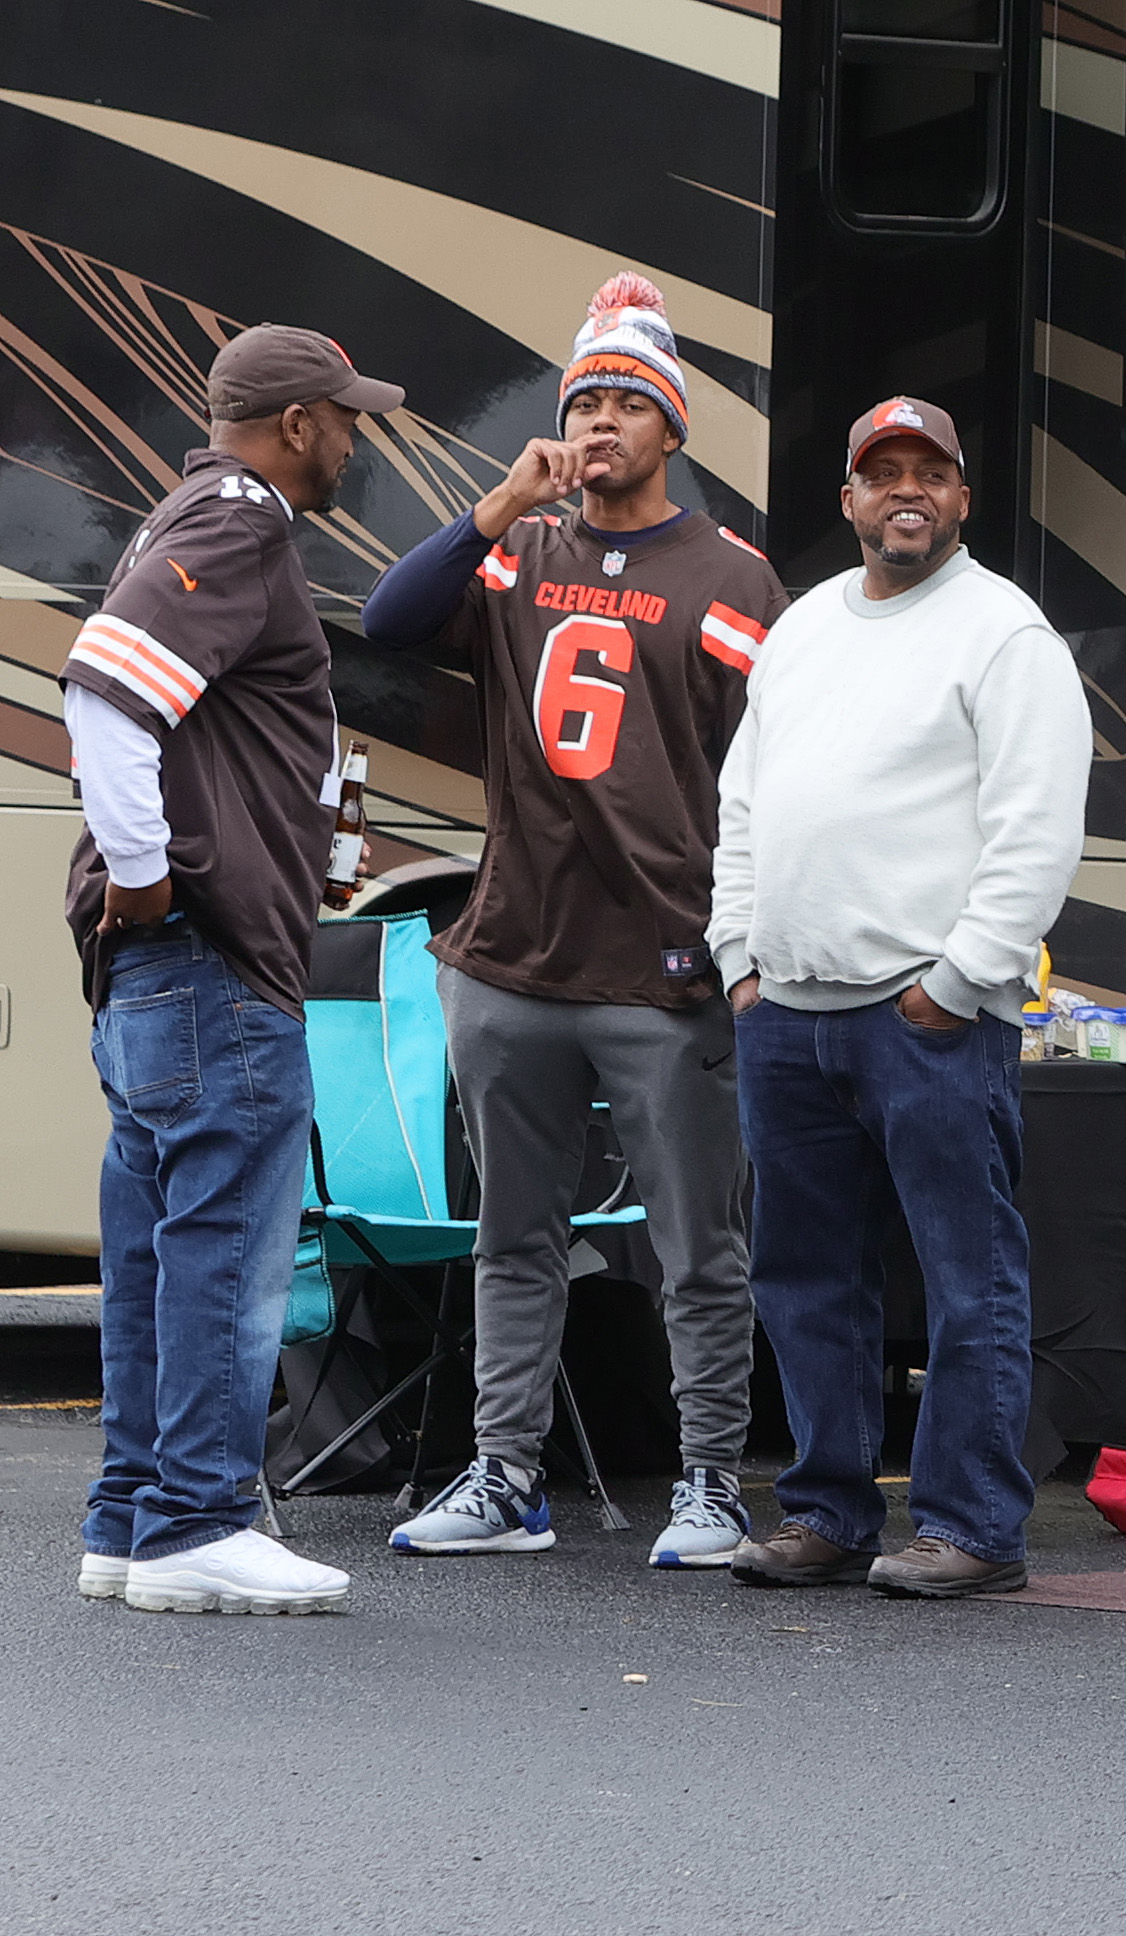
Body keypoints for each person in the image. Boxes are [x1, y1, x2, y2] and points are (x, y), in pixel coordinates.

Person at [357, 274, 782, 1569]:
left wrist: (744, 941)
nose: (599, 424)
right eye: (583, 402)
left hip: (660, 966)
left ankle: (711, 1481)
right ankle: (505, 1477)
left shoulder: (733, 578)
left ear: (675, 431)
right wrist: (499, 495)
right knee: (514, 1237)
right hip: (511, 959)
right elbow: (388, 621)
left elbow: (779, 771)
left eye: (625, 406)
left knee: (696, 1243)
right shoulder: (517, 550)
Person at [709, 398, 1086, 1599]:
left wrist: (958, 983)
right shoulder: (806, 627)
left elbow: (1036, 830)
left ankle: (973, 1527)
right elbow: (746, 806)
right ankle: (827, 1510)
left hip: (925, 1020)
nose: (907, 491)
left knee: (968, 1278)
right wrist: (740, 959)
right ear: (850, 501)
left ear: (963, 500)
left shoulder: (1005, 634)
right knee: (804, 1275)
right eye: (884, 474)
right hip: (791, 1012)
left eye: (932, 473)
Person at [66, 325, 402, 1614]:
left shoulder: (178, 514)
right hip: (210, 962)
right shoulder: (244, 514)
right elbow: (104, 691)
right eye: (346, 417)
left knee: (156, 1243)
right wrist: (150, 871)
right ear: (298, 421)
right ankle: (199, 1515)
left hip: (158, 973)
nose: (356, 441)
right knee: (223, 1245)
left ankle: (133, 1515)